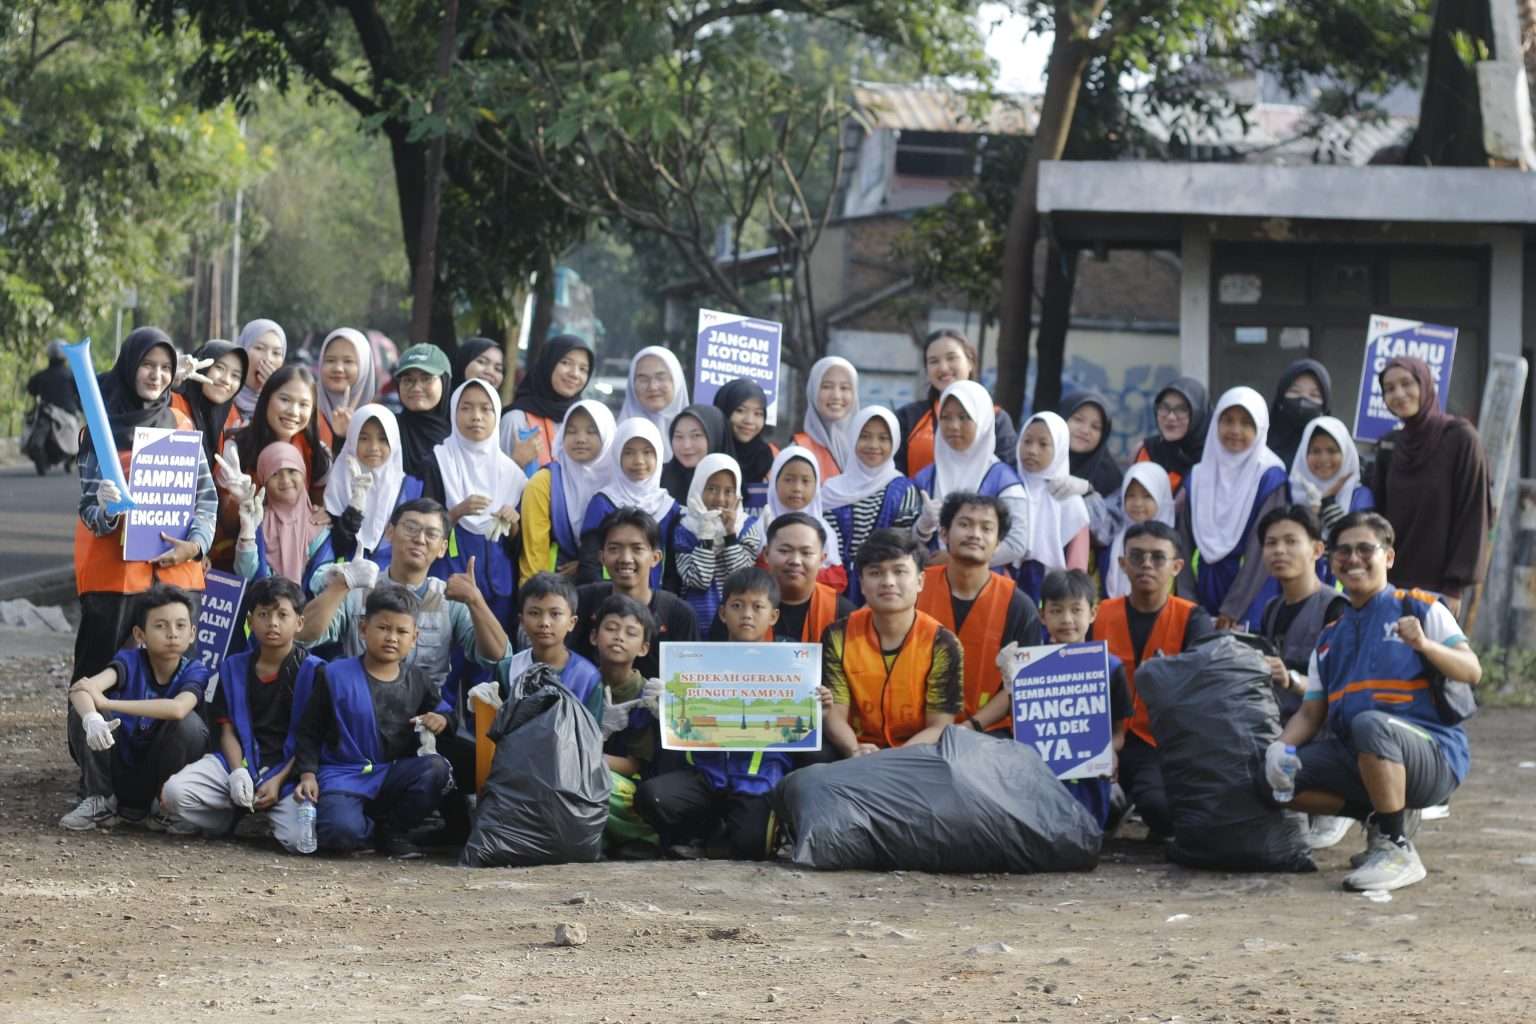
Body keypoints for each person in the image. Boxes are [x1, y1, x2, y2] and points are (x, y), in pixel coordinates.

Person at [1269, 512, 1482, 891]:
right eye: (1343, 551)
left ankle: (1397, 848)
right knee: (1275, 782)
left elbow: (1471, 671)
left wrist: (1424, 645)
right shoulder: (1330, 637)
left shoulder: (1419, 607)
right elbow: (1311, 712)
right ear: (1331, 560)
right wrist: (1280, 750)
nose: (1353, 559)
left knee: (1369, 723)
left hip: (1432, 756)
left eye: (1365, 549)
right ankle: (1377, 817)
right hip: (1362, 757)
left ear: (1388, 556)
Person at [73, 327, 217, 682]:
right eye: (147, 364)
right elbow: (89, 508)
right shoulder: (99, 430)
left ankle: (170, 740)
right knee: (99, 680)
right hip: (114, 583)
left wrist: (196, 546)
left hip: (177, 579)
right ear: (129, 366)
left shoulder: (181, 424)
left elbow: (206, 499)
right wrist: (106, 512)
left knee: (178, 681)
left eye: (165, 367)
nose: (157, 375)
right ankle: (90, 738)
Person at [635, 567, 791, 860]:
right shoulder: (697, 662)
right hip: (706, 775)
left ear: (773, 616)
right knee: (651, 797)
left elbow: (800, 723)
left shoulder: (791, 664)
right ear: (722, 614)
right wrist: (665, 705)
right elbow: (681, 721)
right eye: (737, 606)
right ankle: (700, 833)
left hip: (756, 779)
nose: (747, 614)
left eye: (758, 607)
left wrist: (816, 702)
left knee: (750, 846)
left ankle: (728, 837)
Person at [293, 584, 453, 859]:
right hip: (343, 776)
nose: (392, 637)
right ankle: (364, 827)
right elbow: (309, 731)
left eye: (402, 632)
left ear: (414, 637)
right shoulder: (334, 675)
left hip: (390, 774)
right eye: (383, 628)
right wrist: (307, 774)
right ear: (364, 629)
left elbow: (446, 714)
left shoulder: (418, 680)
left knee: (435, 769)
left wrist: (441, 719)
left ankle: (392, 831)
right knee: (340, 834)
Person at [159, 577, 322, 844]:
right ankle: (227, 818)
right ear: (249, 621)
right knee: (176, 793)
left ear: (299, 623)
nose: (272, 623)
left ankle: (262, 818)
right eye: (263, 614)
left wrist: (279, 781)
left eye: (283, 615)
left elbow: (312, 738)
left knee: (298, 840)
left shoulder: (315, 672)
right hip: (241, 763)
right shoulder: (233, 667)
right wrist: (237, 772)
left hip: (288, 770)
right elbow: (226, 728)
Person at [299, 499, 511, 694]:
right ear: (390, 532)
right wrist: (340, 585)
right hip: (357, 706)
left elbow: (498, 657)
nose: (419, 539)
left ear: (442, 548)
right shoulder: (357, 586)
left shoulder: (449, 599)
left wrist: (476, 601)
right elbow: (302, 635)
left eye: (431, 534)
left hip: (423, 718)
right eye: (411, 528)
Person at [1090, 521, 1214, 839]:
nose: (1146, 564)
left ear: (1176, 567)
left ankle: (1133, 800)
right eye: (1137, 556)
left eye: (1158, 557)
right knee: (1083, 819)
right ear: (1122, 563)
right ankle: (1112, 803)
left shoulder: (1193, 618)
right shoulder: (1096, 614)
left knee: (1161, 811)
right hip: (1097, 737)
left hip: (1157, 741)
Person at [60, 584, 210, 831]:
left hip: (161, 775)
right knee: (83, 712)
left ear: (193, 633)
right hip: (120, 770)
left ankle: (164, 808)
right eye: (160, 626)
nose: (172, 633)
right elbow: (80, 689)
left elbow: (178, 709)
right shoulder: (130, 661)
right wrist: (92, 718)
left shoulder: (195, 670)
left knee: (190, 726)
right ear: (140, 635)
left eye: (180, 625)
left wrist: (108, 703)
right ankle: (100, 800)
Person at [1255, 504, 1352, 851]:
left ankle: (1343, 805)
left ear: (1317, 549)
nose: (1279, 550)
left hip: (1324, 727)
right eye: (1271, 543)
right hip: (1283, 721)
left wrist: (1293, 679)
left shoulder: (1336, 607)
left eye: (1291, 541)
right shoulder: (1271, 609)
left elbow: (1344, 689)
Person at [823, 529, 961, 754]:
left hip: (917, 754)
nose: (888, 582)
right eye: (876, 573)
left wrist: (894, 759)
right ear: (862, 583)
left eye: (899, 571)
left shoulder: (943, 643)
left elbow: (940, 724)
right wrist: (854, 749)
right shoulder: (838, 635)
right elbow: (835, 713)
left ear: (920, 581)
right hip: (857, 750)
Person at [1372, 356, 1491, 616]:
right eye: (1389, 389)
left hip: (1440, 589)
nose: (1399, 394)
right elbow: (1379, 518)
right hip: (1389, 586)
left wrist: (1454, 587)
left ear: (1425, 384)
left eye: (1406, 383)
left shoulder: (1460, 438)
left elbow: (1473, 513)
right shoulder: (1389, 446)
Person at [915, 493, 1042, 734]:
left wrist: (971, 726)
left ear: (998, 543)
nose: (975, 534)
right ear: (943, 533)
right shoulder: (914, 588)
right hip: (913, 726)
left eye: (986, 528)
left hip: (986, 731)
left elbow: (1020, 685)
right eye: (964, 524)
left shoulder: (1019, 606)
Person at [1017, 569, 1131, 828]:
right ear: (1042, 616)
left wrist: (1110, 751)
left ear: (1092, 613)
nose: (1067, 619)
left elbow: (1119, 732)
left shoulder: (1110, 667)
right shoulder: (1028, 668)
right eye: (1056, 610)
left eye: (1076, 610)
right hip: (1042, 775)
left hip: (1092, 774)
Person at [423, 379, 527, 624]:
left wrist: (513, 524)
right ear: (454, 412)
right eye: (466, 408)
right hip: (447, 581)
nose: (476, 417)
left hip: (498, 586)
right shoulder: (438, 462)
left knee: (491, 653)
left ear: (497, 414)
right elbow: (423, 525)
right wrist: (458, 511)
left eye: (485, 409)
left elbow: (518, 545)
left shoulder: (513, 475)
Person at [1185, 385, 1288, 629]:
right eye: (1227, 420)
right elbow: (1181, 543)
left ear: (1260, 428)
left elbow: (1262, 548)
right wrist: (1188, 603)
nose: (1235, 430)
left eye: (1246, 423)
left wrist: (1233, 607)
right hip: (1203, 590)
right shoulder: (1199, 475)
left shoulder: (1269, 475)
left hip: (1251, 593)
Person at [912, 380, 1030, 572]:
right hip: (929, 586)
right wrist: (922, 528)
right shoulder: (925, 478)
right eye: (946, 417)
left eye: (964, 417)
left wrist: (955, 560)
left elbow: (1017, 543)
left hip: (984, 588)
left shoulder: (1003, 480)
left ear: (982, 420)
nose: (953, 426)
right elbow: (904, 541)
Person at [572, 508, 700, 679]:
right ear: (602, 557)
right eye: (614, 548)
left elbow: (688, 682)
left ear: (655, 557)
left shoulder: (679, 615)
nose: (625, 558)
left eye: (637, 549)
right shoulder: (582, 602)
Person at [822, 406, 920, 605]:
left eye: (883, 438)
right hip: (837, 588)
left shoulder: (903, 489)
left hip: (886, 588)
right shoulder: (830, 490)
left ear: (895, 443)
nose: (873, 445)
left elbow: (901, 546)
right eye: (865, 436)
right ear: (853, 438)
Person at [590, 595, 664, 856]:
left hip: (623, 781)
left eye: (630, 632)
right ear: (594, 636)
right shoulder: (581, 681)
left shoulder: (646, 696)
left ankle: (645, 838)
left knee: (599, 782)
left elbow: (635, 763)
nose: (619, 637)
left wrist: (589, 758)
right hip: (581, 768)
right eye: (611, 628)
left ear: (643, 648)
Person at [895, 328, 1019, 476]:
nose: (943, 368)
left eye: (951, 358)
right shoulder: (908, 417)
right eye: (934, 361)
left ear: (970, 362)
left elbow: (1008, 474)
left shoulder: (996, 419)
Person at [710, 513, 851, 642]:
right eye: (784, 551)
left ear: (822, 559)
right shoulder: (737, 606)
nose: (795, 560)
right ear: (766, 554)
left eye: (806, 553)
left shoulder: (840, 611)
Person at [518, 399, 616, 585]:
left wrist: (588, 566)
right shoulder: (543, 483)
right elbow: (533, 556)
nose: (580, 439)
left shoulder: (622, 483)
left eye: (591, 431)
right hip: (555, 592)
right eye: (571, 431)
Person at [578, 418, 679, 587]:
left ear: (658, 455)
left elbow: (672, 569)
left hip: (655, 601)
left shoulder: (669, 507)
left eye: (647, 452)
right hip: (611, 598)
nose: (638, 461)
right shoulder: (603, 502)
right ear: (617, 455)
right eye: (629, 452)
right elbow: (590, 562)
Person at [491, 572, 603, 720]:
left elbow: (591, 735)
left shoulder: (587, 677)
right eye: (534, 613)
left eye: (555, 614)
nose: (544, 622)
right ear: (522, 621)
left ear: (572, 622)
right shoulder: (508, 669)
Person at [323, 404, 420, 565]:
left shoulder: (409, 488)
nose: (374, 447)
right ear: (352, 439)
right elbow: (336, 544)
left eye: (383, 439)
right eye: (363, 438)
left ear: (394, 441)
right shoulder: (339, 482)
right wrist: (354, 507)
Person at [675, 453, 763, 626]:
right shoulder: (685, 528)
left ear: (737, 494)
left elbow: (741, 579)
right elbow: (698, 580)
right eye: (712, 489)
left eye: (728, 491)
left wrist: (730, 535)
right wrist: (706, 537)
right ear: (699, 488)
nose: (720, 499)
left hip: (736, 624)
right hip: (696, 621)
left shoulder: (746, 527)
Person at [1015, 411, 1092, 602]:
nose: (1032, 450)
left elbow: (1077, 566)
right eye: (1027, 441)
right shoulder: (1009, 489)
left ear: (1059, 448)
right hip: (1007, 586)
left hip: (1055, 597)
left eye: (1043, 444)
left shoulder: (1069, 501)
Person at [230, 363, 332, 505]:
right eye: (285, 400)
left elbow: (318, 511)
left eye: (303, 405)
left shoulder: (318, 455)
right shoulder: (236, 448)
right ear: (266, 399)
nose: (293, 412)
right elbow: (224, 521)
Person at [233, 442, 332, 584]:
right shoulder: (257, 520)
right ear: (264, 481)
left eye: (292, 471)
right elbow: (245, 575)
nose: (285, 480)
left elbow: (323, 579)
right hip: (265, 603)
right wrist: (248, 533)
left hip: (308, 605)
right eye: (275, 474)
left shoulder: (318, 523)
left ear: (303, 475)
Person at [501, 335, 593, 471]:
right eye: (566, 363)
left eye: (583, 369)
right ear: (548, 363)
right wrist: (517, 463)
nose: (574, 374)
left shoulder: (585, 422)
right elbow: (495, 482)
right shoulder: (516, 420)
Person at [765, 445, 846, 593]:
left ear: (816, 486)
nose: (797, 488)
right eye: (789, 480)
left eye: (806, 481)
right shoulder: (762, 527)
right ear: (774, 481)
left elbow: (837, 580)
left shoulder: (824, 531)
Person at [1289, 415, 1373, 546]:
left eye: (1332, 451)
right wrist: (1314, 511)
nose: (1323, 458)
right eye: (1315, 451)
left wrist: (1328, 502)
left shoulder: (1360, 496)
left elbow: (1352, 540)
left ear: (1346, 453)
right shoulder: (1290, 491)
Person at [1101, 463, 1176, 599]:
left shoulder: (1173, 545)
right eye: (1130, 495)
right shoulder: (1113, 539)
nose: (1138, 503)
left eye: (1147, 496)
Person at [170, 339, 246, 468]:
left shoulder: (227, 419)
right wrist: (169, 380)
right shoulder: (172, 401)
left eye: (235, 376)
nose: (226, 380)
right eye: (219, 368)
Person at [1132, 376, 1208, 495]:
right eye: (1164, 407)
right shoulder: (1145, 451)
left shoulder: (1211, 458)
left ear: (1198, 414)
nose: (1171, 417)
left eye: (1182, 409)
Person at [392, 343, 453, 482]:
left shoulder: (461, 432)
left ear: (445, 382)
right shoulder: (388, 429)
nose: (416, 388)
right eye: (408, 380)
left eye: (426, 378)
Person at [791, 356, 858, 480]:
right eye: (826, 386)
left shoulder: (865, 448)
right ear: (813, 391)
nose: (836, 396)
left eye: (844, 388)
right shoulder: (797, 450)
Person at [619, 345, 690, 461]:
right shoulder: (617, 438)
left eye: (661, 377)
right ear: (632, 384)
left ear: (676, 381)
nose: (652, 387)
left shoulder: (695, 438)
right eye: (643, 379)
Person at [24, 338, 83, 474]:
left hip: (46, 412)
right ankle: (69, 459)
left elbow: (31, 390)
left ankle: (47, 459)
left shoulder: (41, 375)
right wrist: (80, 408)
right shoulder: (71, 375)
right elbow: (79, 394)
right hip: (68, 414)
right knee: (79, 438)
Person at [314, 327, 376, 447]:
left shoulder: (375, 418)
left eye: (348, 361)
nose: (338, 368)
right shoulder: (304, 410)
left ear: (364, 367)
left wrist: (347, 435)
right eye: (330, 360)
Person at [1267, 358, 1331, 468]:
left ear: (1324, 407)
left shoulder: (1334, 450)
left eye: (1314, 395)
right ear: (1281, 399)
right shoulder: (1258, 442)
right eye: (1295, 391)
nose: (1303, 400)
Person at [712, 378, 776, 486]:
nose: (749, 421)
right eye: (740, 410)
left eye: (758, 413)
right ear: (723, 410)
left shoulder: (766, 458)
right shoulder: (708, 452)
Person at [660, 403, 729, 504]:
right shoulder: (657, 479)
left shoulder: (733, 481)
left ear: (715, 437)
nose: (686, 445)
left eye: (696, 435)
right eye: (679, 436)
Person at [1060, 390, 1123, 498]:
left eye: (1095, 427)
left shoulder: (1109, 478)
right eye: (1078, 419)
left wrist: (1089, 490)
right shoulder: (1037, 457)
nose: (1085, 430)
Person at [233, 318, 287, 427]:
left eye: (276, 353)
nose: (267, 359)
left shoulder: (288, 406)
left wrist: (273, 390)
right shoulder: (222, 393)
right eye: (259, 348)